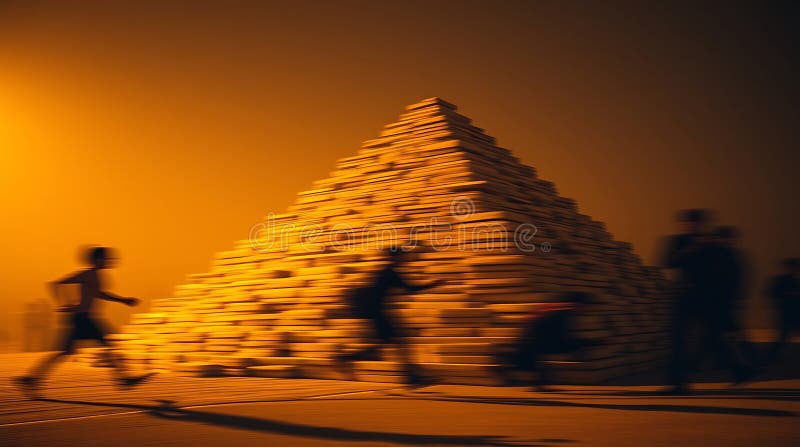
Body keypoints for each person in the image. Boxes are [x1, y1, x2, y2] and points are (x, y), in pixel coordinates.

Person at [13, 246, 153, 397]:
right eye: (106, 258)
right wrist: (63, 303)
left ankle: (31, 379)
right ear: (96, 260)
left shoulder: (96, 275)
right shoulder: (88, 274)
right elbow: (55, 284)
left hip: (81, 318)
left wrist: (123, 300)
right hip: (83, 318)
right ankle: (124, 379)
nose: (109, 261)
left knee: (65, 352)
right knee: (108, 342)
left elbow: (99, 294)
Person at [336, 246, 444, 388]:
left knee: (388, 345)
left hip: (378, 314)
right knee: (399, 344)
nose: (405, 258)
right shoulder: (390, 273)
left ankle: (346, 358)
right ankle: (411, 378)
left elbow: (404, 289)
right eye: (402, 256)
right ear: (395, 257)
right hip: (379, 315)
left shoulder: (386, 271)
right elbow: (411, 289)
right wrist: (433, 284)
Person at [494, 292, 602, 392]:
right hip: (534, 342)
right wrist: (587, 344)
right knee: (531, 361)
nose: (587, 309)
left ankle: (513, 370)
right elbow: (562, 335)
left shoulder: (554, 308)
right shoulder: (563, 313)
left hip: (530, 342)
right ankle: (507, 367)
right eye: (586, 306)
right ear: (579, 304)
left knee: (531, 362)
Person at [659, 208, 711, 394]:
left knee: (706, 338)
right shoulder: (676, 241)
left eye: (695, 223)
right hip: (681, 295)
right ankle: (678, 382)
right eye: (689, 222)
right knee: (677, 339)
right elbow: (667, 262)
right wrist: (691, 249)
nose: (692, 226)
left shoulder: (709, 244)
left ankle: (688, 372)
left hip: (704, 296)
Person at [766, 257, 800, 363]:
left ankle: (771, 356)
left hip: (788, 312)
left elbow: (773, 294)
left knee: (783, 336)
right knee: (783, 336)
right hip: (789, 312)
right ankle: (771, 356)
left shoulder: (783, 281)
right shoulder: (790, 281)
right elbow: (774, 294)